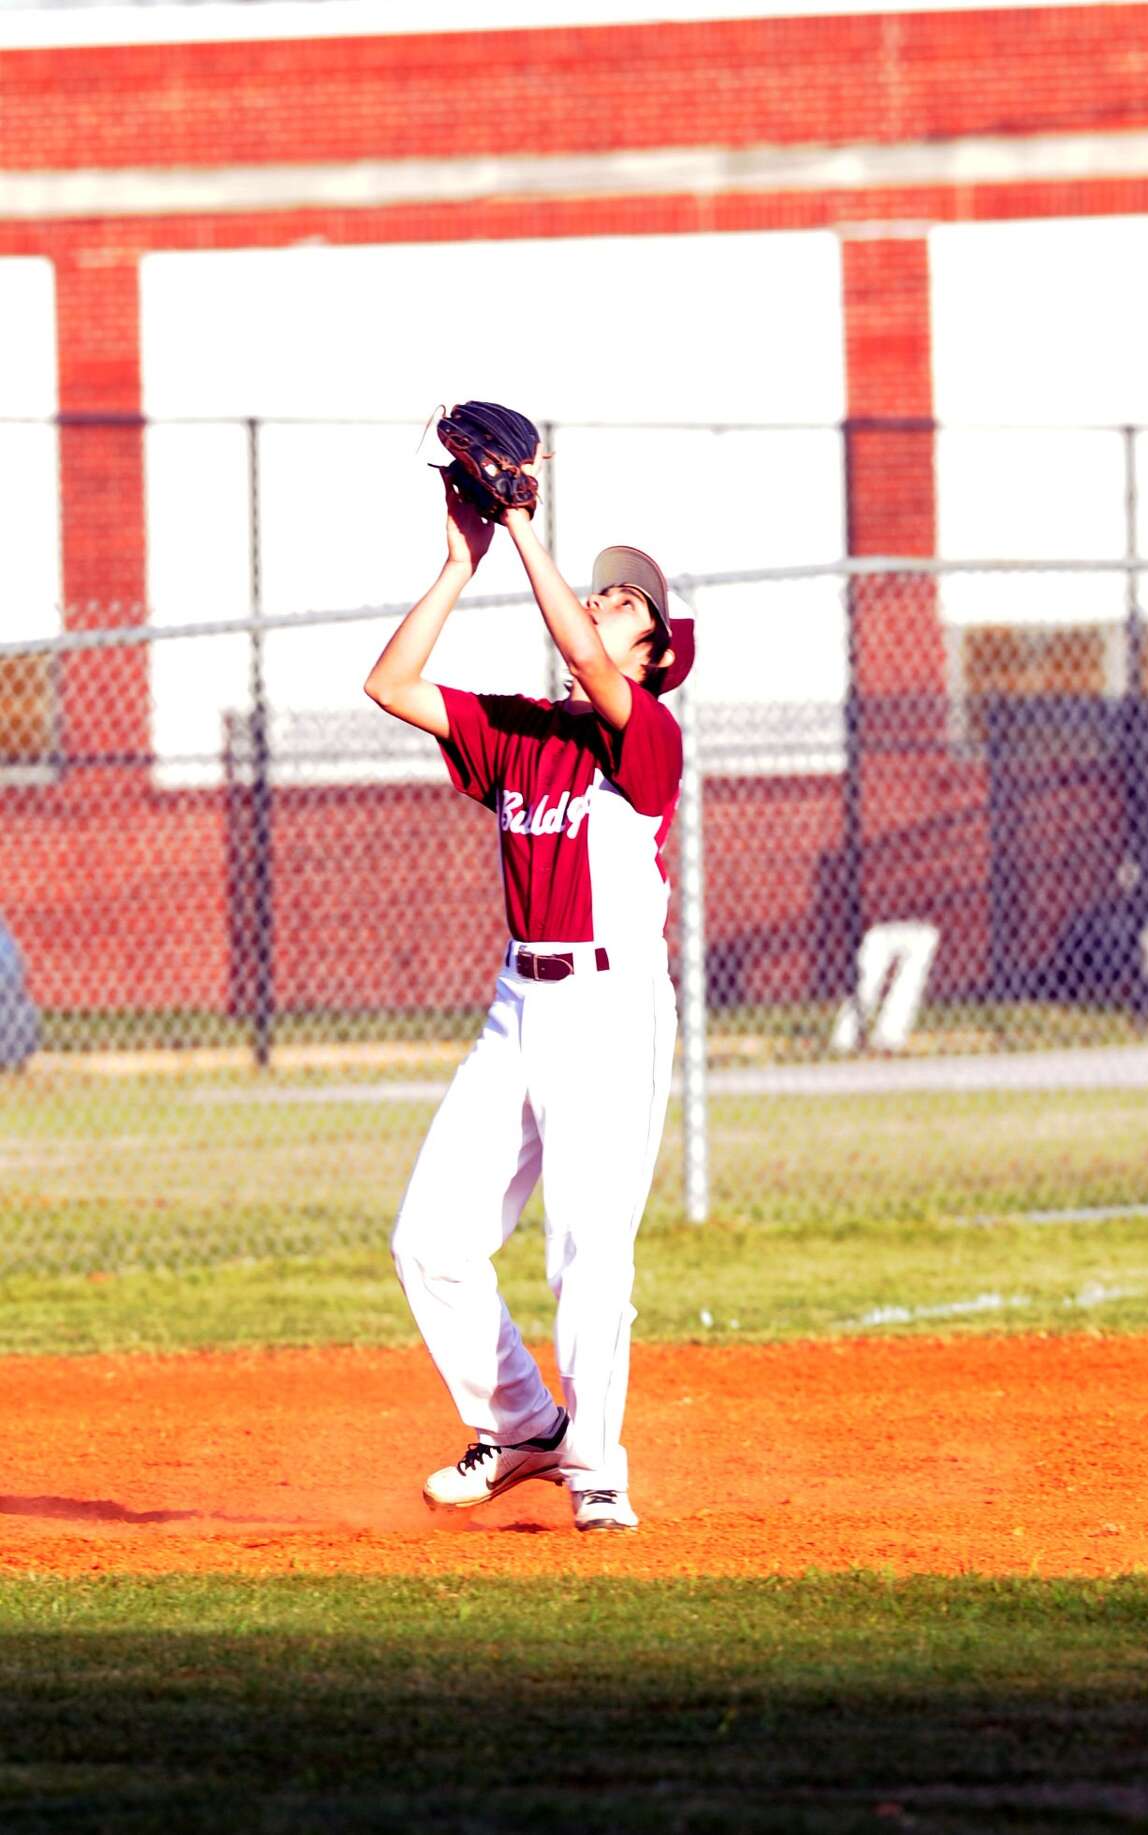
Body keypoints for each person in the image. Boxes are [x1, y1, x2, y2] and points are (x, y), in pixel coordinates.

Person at [364, 466, 695, 1533]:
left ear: (654, 653)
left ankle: (598, 1467)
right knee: (430, 1236)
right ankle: (524, 1424)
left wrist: (516, 526)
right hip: (521, 1000)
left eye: (626, 602)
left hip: (612, 1005)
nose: (602, 605)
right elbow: (393, 683)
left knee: (589, 1247)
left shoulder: (643, 738)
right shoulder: (521, 732)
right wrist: (462, 557)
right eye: (600, 592)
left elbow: (591, 661)